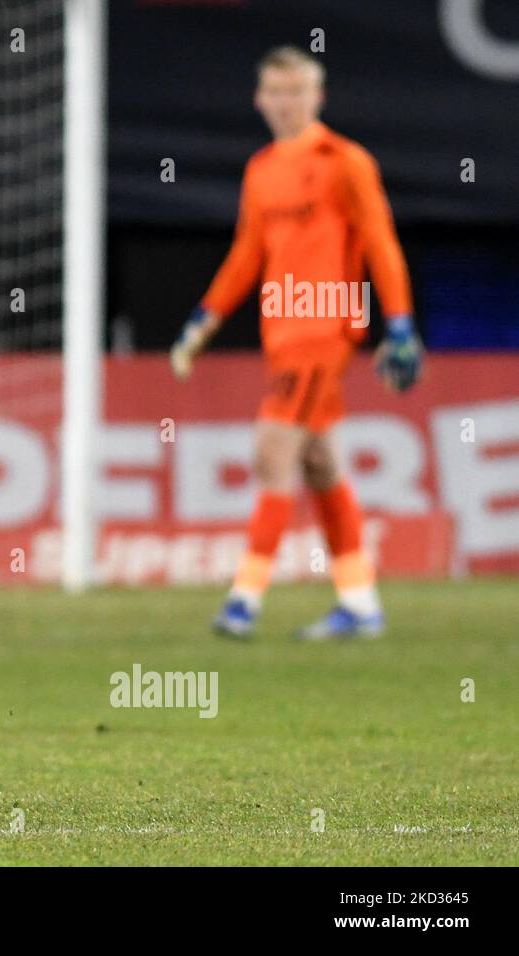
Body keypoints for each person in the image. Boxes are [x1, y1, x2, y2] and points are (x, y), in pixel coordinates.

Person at [170, 46, 423, 640]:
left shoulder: (345, 161)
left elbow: (381, 242)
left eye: (297, 91)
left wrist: (401, 324)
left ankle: (243, 601)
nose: (286, 103)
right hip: (281, 332)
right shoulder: (261, 168)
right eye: (276, 92)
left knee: (273, 450)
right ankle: (360, 603)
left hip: (326, 326)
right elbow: (247, 252)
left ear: (318, 97)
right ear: (260, 99)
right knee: (320, 463)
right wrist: (205, 319)